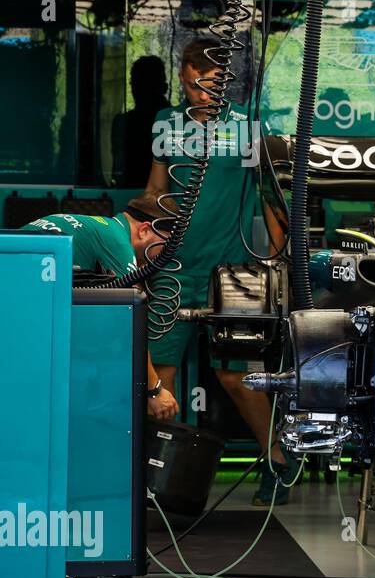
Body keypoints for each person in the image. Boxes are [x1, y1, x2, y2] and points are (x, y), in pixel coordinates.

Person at [145, 38, 288, 505]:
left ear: (225, 83)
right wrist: (146, 243)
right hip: (175, 268)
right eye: (190, 87)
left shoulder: (246, 126)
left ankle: (279, 464)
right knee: (157, 375)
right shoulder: (167, 124)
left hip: (234, 269)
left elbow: (269, 195)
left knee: (236, 377)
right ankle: (147, 474)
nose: (198, 96)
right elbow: (155, 190)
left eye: (207, 87)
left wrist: (277, 257)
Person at [21, 196, 181, 421]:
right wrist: (154, 391)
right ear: (145, 230)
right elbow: (130, 326)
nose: (165, 256)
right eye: (165, 245)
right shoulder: (117, 243)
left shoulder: (99, 228)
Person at [112, 55, 173, 190]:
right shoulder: (177, 123)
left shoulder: (123, 123)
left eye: (144, 86)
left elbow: (117, 172)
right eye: (138, 85)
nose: (138, 91)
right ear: (165, 87)